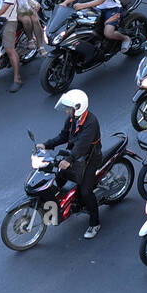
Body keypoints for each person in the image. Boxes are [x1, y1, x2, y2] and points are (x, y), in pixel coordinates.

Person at [38, 89, 103, 238]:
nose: (66, 111)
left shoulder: (91, 122)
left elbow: (83, 146)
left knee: (86, 192)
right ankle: (63, 206)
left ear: (78, 108)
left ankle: (95, 223)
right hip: (75, 155)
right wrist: (46, 145)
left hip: (90, 158)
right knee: (57, 177)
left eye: (68, 108)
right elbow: (63, 135)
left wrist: (68, 160)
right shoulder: (72, 119)